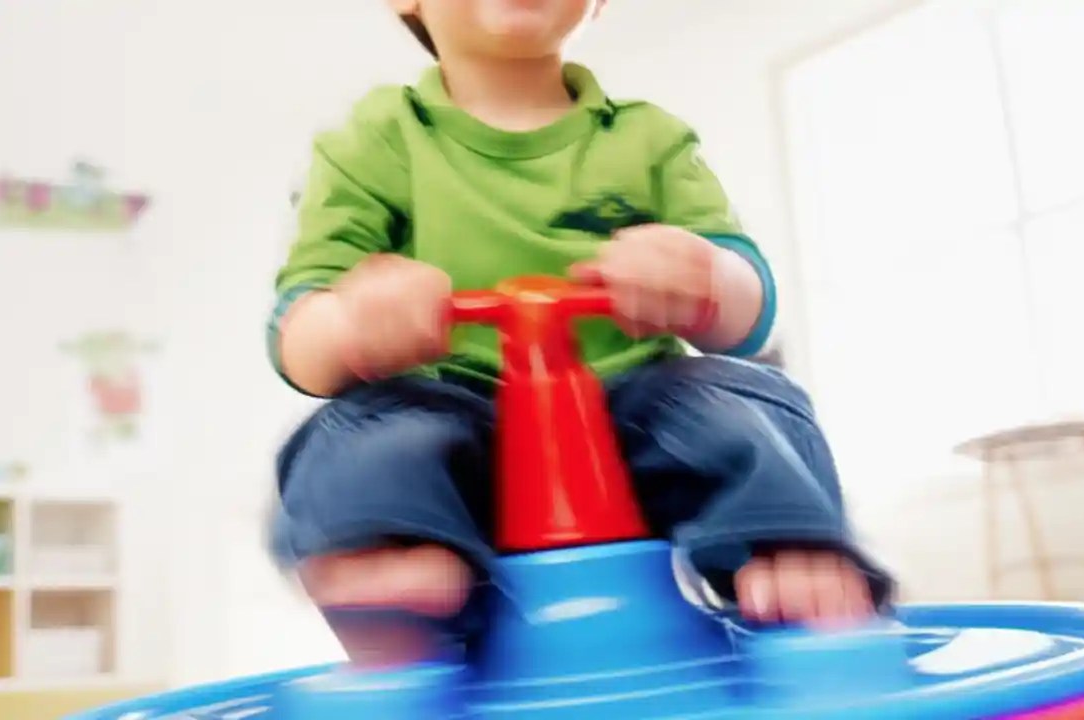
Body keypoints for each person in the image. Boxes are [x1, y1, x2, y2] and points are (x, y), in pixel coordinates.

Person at [268, 0, 893, 667]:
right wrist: (354, 321)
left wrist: (706, 279)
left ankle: (785, 545)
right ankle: (388, 557)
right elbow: (299, 337)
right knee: (361, 429)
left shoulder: (649, 139)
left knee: (739, 395)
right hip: (451, 425)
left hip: (642, 418)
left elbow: (749, 315)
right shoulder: (373, 140)